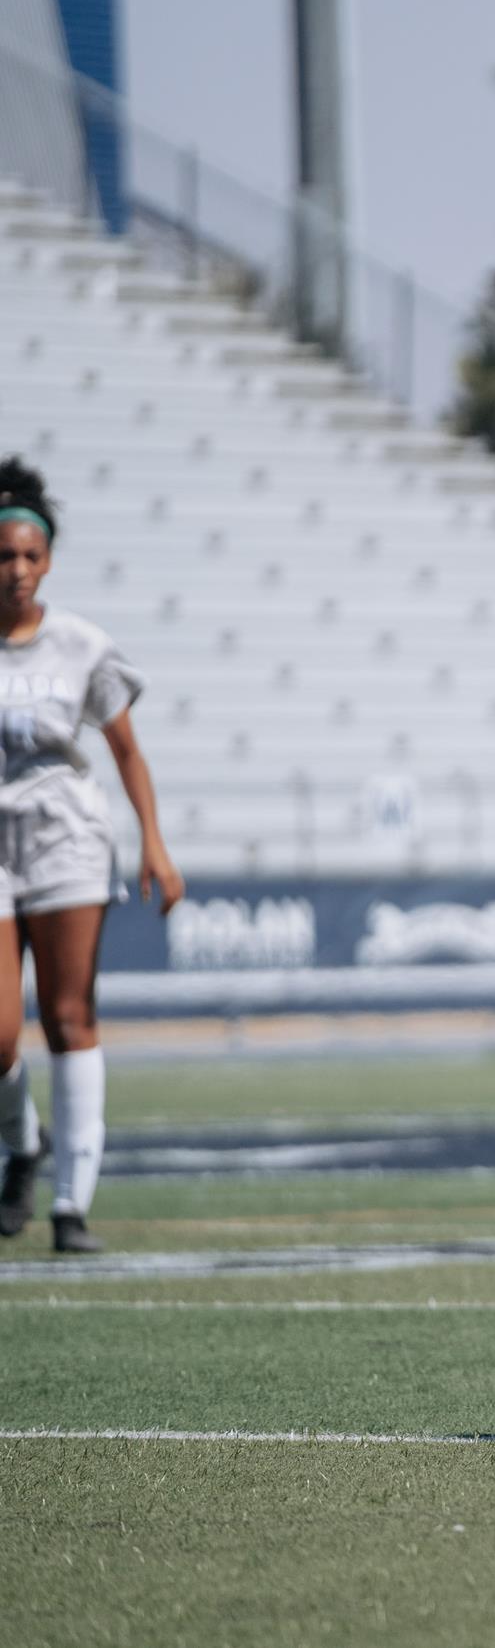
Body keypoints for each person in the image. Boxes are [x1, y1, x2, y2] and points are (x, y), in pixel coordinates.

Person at [0, 458, 185, 1254]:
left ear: (48, 562)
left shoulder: (80, 644)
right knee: (2, 1037)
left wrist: (155, 843)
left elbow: (127, 752)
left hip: (66, 840)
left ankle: (72, 1203)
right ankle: (23, 1144)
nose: (15, 571)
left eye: (28, 557)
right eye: (3, 556)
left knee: (70, 1018)